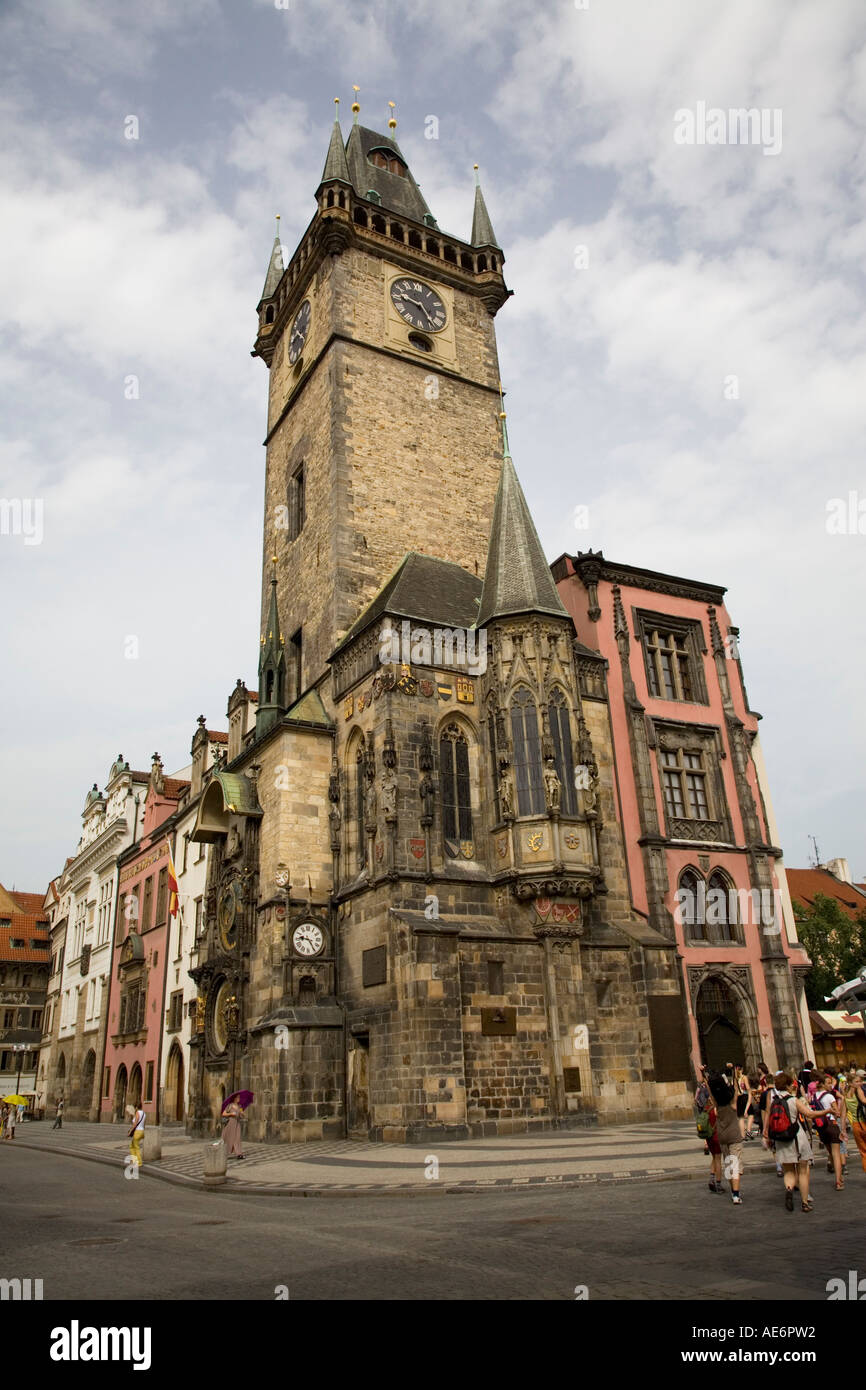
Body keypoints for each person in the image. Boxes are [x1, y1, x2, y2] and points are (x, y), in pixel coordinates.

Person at [763, 1071, 825, 1212]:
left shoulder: (774, 1101)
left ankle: (789, 1189)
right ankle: (804, 1203)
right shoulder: (793, 1100)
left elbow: (767, 1116)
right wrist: (827, 1111)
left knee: (789, 1171)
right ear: (788, 1085)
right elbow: (809, 1114)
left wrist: (765, 1133)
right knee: (802, 1171)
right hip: (797, 1138)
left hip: (781, 1139)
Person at [708, 1070, 744, 1204]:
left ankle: (734, 1191)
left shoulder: (717, 1104)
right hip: (734, 1136)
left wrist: (705, 1077)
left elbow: (711, 1092)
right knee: (735, 1165)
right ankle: (736, 1194)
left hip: (722, 1137)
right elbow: (735, 1089)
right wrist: (734, 1073)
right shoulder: (732, 1104)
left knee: (729, 1164)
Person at [813, 1071, 845, 1190]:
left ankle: (836, 1172)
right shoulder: (830, 1096)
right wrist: (841, 1101)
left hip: (821, 1127)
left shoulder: (814, 1096)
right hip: (831, 1124)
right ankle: (838, 1180)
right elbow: (837, 1113)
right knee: (836, 1154)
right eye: (828, 1083)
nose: (831, 1086)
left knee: (831, 1152)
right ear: (821, 1084)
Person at [846, 1069, 866, 1173]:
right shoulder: (859, 1090)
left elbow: (843, 1113)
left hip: (855, 1125)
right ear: (850, 1083)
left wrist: (843, 1131)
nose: (860, 1083)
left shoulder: (846, 1095)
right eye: (857, 1081)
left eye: (860, 1081)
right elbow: (864, 1101)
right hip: (863, 1123)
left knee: (863, 1152)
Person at [128, 1103, 146, 1168]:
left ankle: (139, 1162)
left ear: (136, 1107)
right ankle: (134, 1160)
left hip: (137, 1131)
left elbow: (135, 1123)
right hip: (142, 1131)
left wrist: (130, 1131)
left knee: (136, 1147)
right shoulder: (144, 1113)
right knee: (132, 1146)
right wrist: (143, 1132)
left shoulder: (138, 1112)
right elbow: (144, 1124)